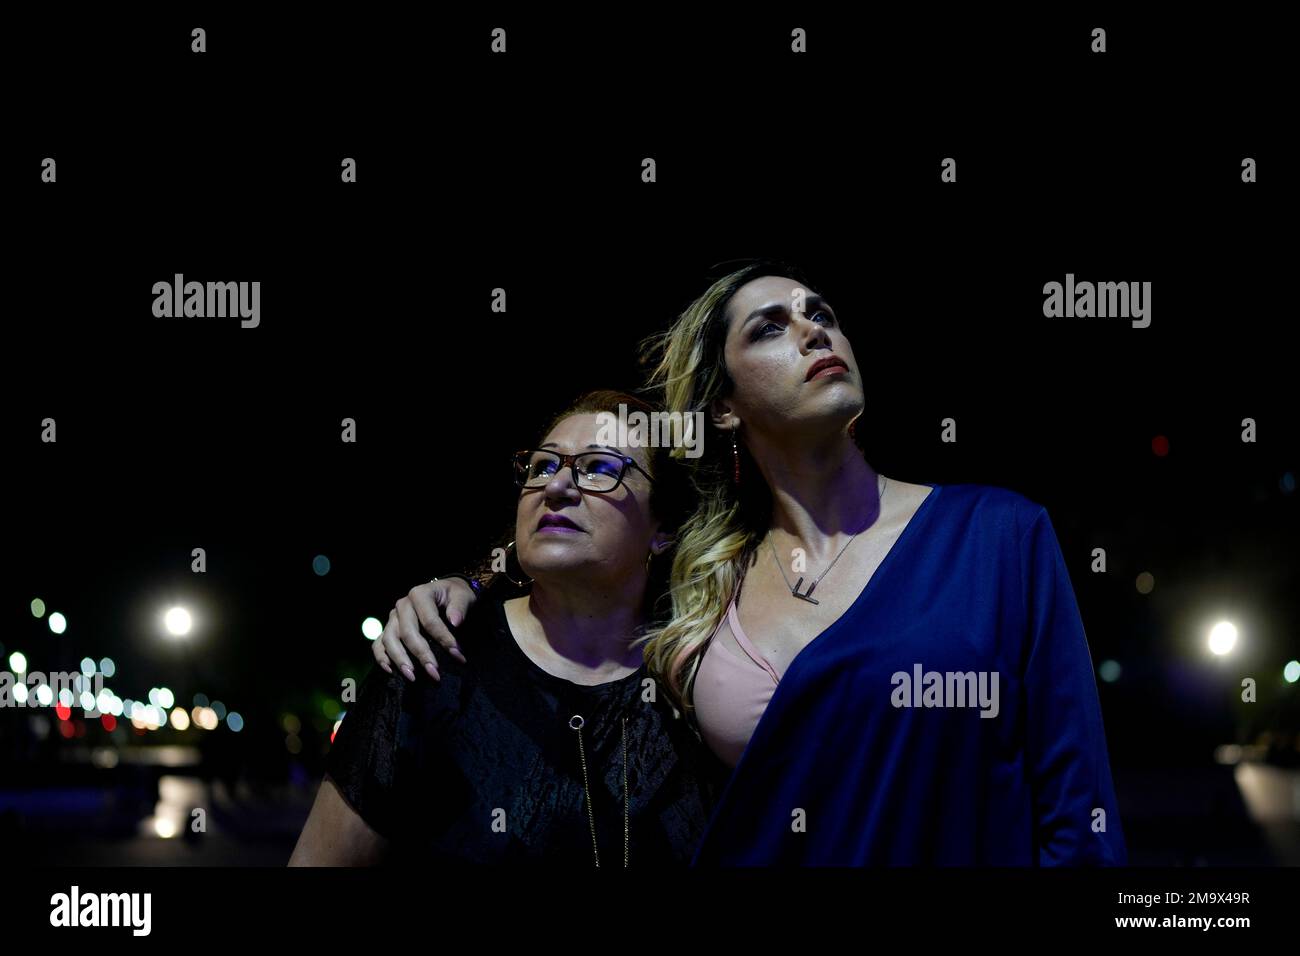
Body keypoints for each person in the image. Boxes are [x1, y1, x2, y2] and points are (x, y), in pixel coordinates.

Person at [377, 260, 1127, 866]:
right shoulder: (703, 585)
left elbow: (1077, 808)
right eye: (771, 328)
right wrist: (464, 586)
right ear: (725, 407)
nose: (811, 330)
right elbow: (578, 572)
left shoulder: (997, 535)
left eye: (821, 313)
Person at [289, 391, 715, 866]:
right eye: (542, 467)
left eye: (599, 468)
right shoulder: (435, 662)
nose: (556, 487)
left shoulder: (701, 687)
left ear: (664, 527)